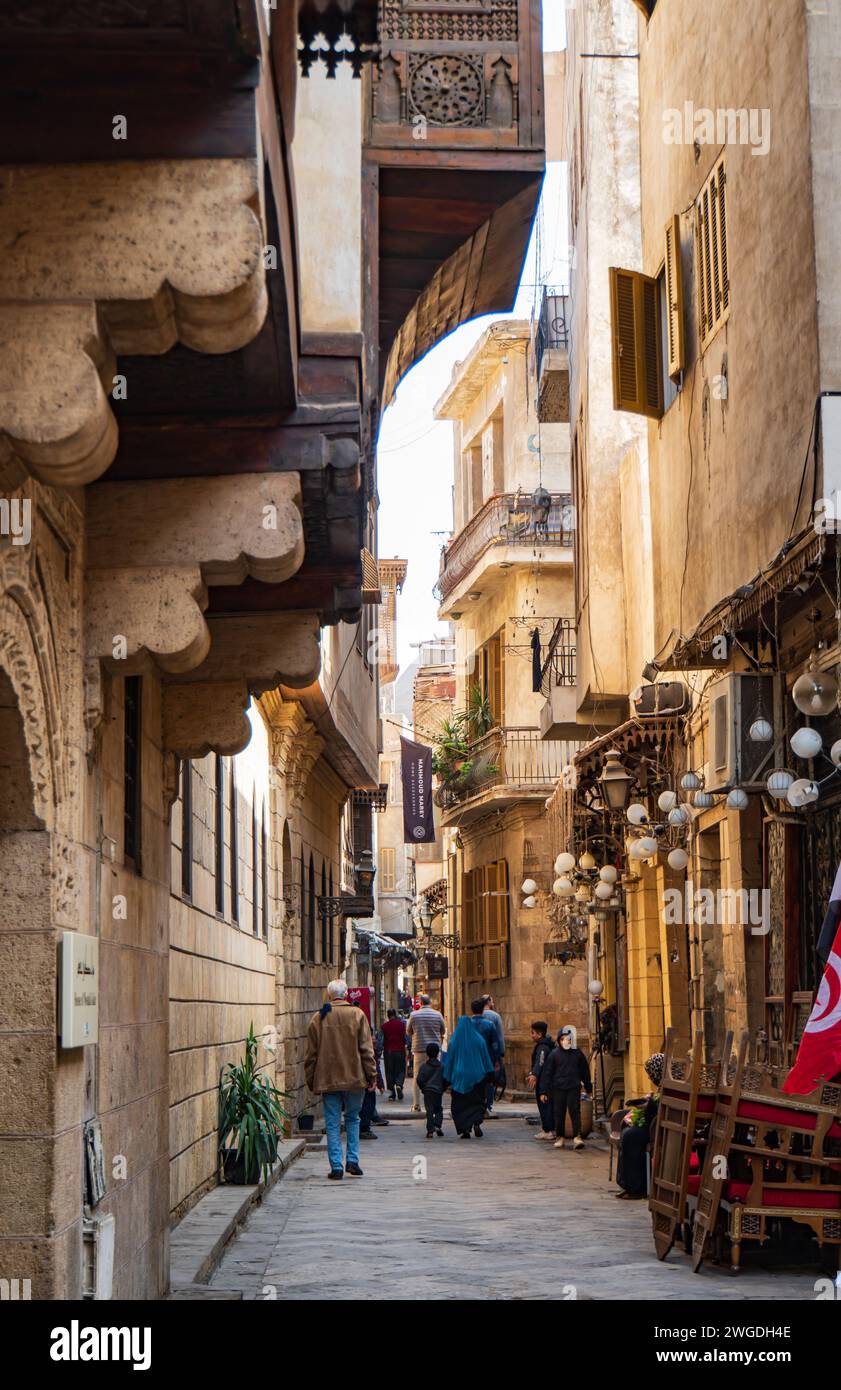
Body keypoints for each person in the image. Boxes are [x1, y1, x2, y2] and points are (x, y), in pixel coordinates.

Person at [304, 978, 377, 1180]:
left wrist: (311, 1080)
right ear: (346, 995)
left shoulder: (319, 1018)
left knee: (333, 1123)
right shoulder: (357, 1015)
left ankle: (336, 1165)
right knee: (353, 1118)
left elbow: (311, 1055)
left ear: (329, 995)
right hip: (354, 1078)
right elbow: (366, 1050)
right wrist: (372, 1076)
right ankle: (352, 1160)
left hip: (328, 1079)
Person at [615, 1053, 663, 1199]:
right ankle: (627, 1184)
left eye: (650, 1074)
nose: (650, 1078)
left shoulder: (670, 1083)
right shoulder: (663, 1084)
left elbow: (660, 1106)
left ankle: (637, 1187)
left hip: (657, 1129)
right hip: (652, 1125)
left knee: (631, 1136)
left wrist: (649, 1105)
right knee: (627, 1132)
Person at [539, 1025, 592, 1150]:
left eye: (568, 1039)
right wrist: (543, 1091)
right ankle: (560, 1137)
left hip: (573, 1087)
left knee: (575, 1111)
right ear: (559, 1040)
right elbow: (547, 1073)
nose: (565, 1041)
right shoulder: (554, 1055)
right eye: (562, 1039)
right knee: (559, 1113)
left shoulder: (577, 1054)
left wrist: (588, 1088)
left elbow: (585, 1072)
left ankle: (577, 1137)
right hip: (558, 1088)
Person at [442, 1015, 494, 1138]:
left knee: (460, 1105)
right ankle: (476, 1123)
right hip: (477, 1076)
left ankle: (465, 1130)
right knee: (477, 1102)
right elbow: (486, 1059)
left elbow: (449, 1061)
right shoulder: (479, 1040)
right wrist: (490, 1074)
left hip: (459, 1077)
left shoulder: (454, 1041)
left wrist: (446, 1078)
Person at [406, 995, 446, 1112]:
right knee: (435, 1076)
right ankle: (435, 1103)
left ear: (421, 1003)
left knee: (417, 1076)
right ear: (430, 1003)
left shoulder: (414, 1015)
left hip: (419, 1049)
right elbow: (442, 1030)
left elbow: (408, 1031)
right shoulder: (438, 1014)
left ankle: (416, 1105)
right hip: (434, 1050)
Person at [526, 1021, 556, 1140]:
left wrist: (534, 1074)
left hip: (545, 1082)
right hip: (544, 1080)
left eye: (533, 1033)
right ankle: (546, 1128)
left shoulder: (543, 1047)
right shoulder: (543, 1045)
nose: (531, 1035)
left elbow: (540, 1062)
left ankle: (549, 1130)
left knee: (545, 1105)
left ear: (539, 1034)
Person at [416, 1042, 448, 1138]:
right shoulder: (442, 1067)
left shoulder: (424, 1067)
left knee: (429, 1111)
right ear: (438, 1053)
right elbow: (446, 1079)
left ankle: (430, 1131)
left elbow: (419, 1079)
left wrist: (423, 1088)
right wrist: (443, 1088)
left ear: (427, 1053)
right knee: (438, 1109)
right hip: (438, 1091)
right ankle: (437, 1125)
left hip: (428, 1092)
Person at [481, 994, 505, 1113]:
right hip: (491, 1053)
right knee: (490, 1079)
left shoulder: (476, 1017)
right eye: (492, 1002)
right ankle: (488, 1104)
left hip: (478, 1054)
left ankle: (480, 1103)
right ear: (489, 1002)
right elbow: (500, 1036)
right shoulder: (495, 1016)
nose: (493, 1004)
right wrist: (501, 1052)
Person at [381, 1007, 407, 1100]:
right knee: (401, 1069)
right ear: (395, 1015)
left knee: (389, 1071)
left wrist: (379, 1051)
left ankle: (392, 1093)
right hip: (400, 1050)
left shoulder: (384, 1026)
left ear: (388, 1016)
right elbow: (406, 1038)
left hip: (388, 1052)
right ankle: (399, 1084)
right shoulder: (402, 1025)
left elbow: (381, 1040)